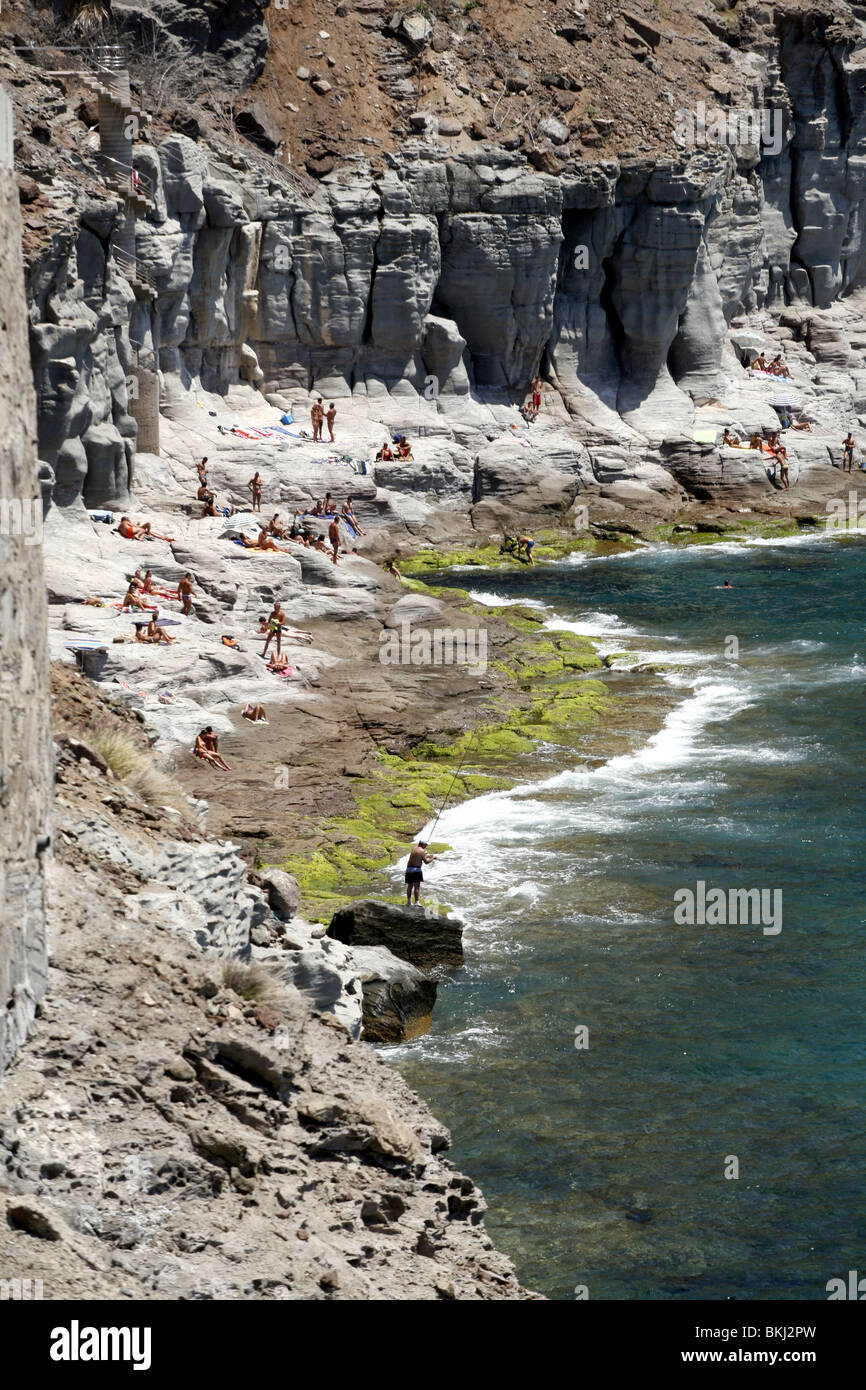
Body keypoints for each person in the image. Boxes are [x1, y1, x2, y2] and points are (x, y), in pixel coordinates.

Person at [405, 840, 435, 905]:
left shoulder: (414, 848)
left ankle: (408, 902)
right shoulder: (422, 851)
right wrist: (432, 857)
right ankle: (416, 902)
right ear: (423, 844)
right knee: (416, 887)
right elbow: (426, 862)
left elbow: (418, 855)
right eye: (426, 845)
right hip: (416, 870)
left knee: (409, 886)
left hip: (408, 869)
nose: (426, 846)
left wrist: (426, 854)